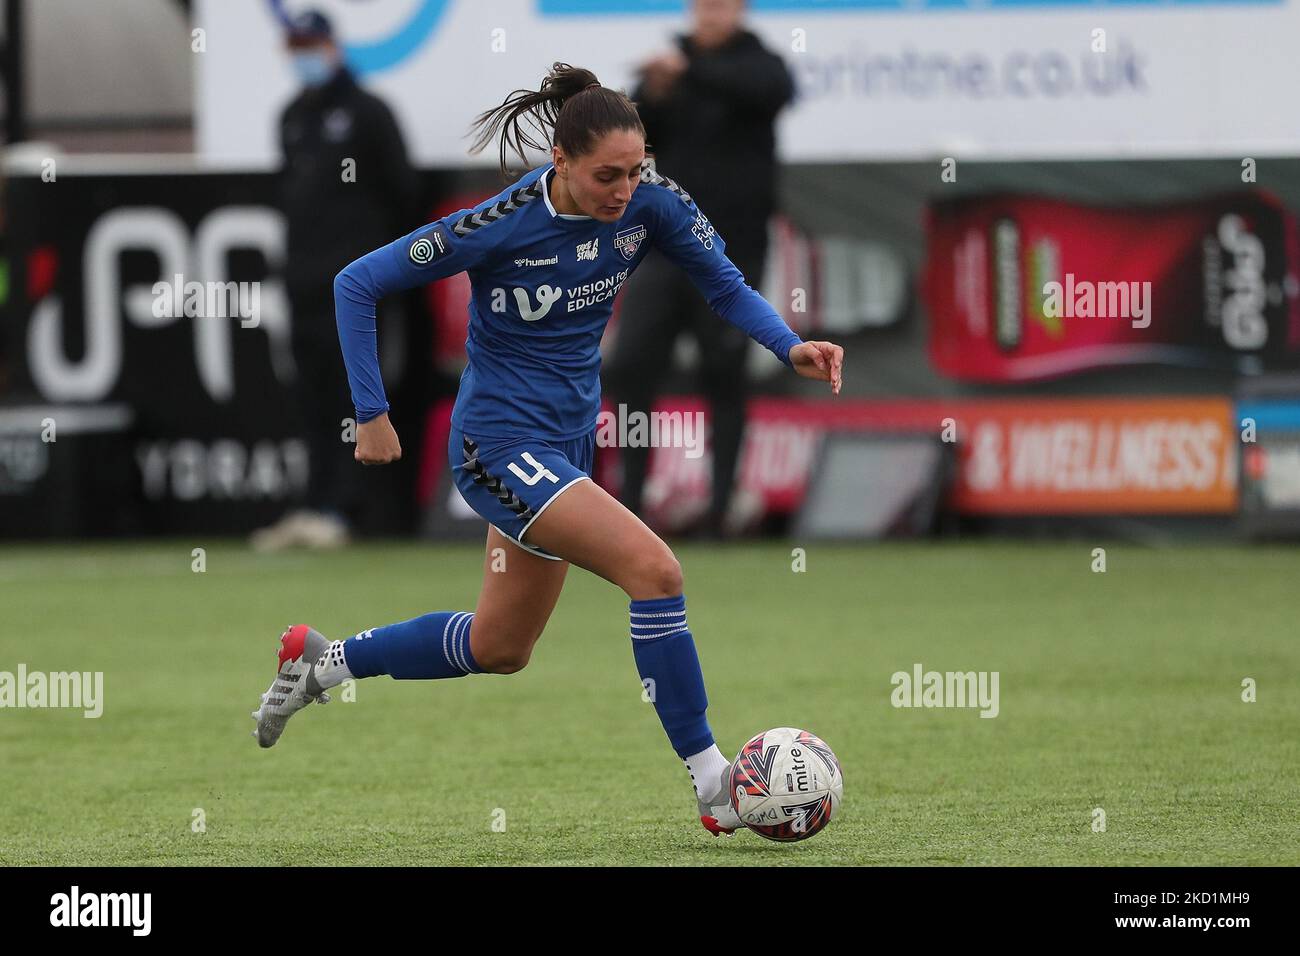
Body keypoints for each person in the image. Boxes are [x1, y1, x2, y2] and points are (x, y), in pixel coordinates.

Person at [249, 63, 843, 836]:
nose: (624, 189)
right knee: (656, 572)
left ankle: (322, 663)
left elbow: (724, 284)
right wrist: (371, 412)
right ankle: (714, 785)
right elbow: (357, 282)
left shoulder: (652, 205)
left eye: (634, 171)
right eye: (607, 175)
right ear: (559, 161)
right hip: (496, 444)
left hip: (562, 444)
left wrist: (788, 345)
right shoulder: (499, 223)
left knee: (500, 646)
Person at [608, 0, 794, 537]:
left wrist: (690, 71)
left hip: (731, 255)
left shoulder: (760, 64)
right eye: (703, 5)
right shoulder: (671, 67)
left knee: (725, 373)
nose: (710, 15)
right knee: (632, 366)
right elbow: (637, 136)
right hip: (667, 249)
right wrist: (654, 94)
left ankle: (720, 509)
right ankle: (630, 507)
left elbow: (767, 93)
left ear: (740, 10)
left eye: (721, 5)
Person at [250, 9, 421, 551]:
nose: (303, 54)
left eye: (311, 43)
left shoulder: (369, 114)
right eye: (293, 43)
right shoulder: (291, 118)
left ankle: (350, 509)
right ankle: (313, 502)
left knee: (360, 394)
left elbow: (404, 194)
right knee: (311, 395)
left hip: (356, 288)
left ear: (332, 45)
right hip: (303, 285)